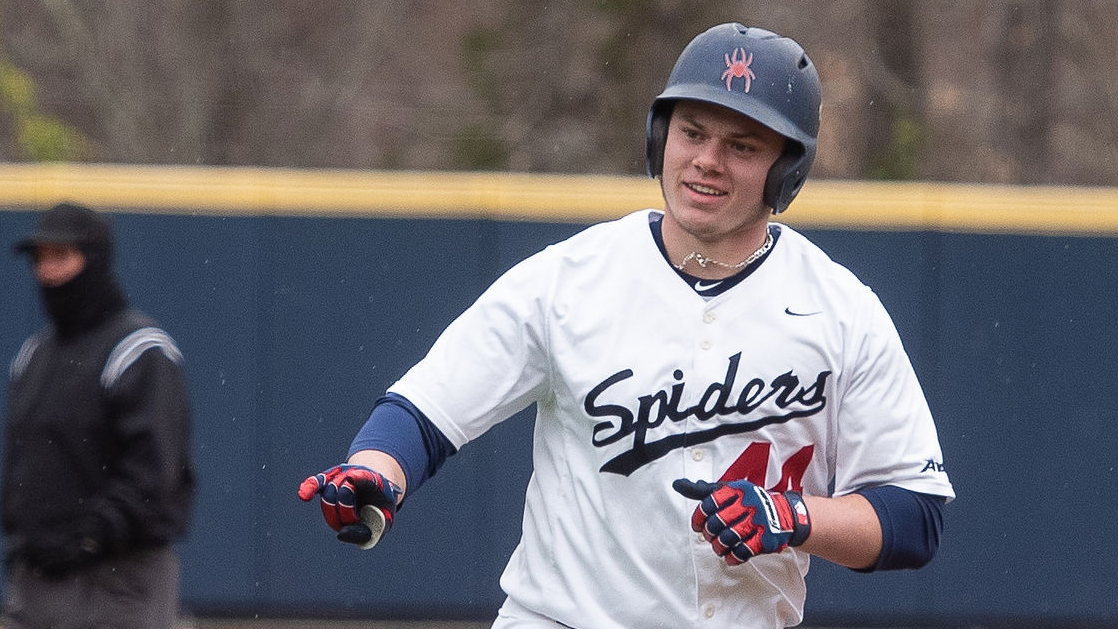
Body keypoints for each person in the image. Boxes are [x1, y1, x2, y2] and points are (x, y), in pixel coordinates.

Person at [299, 22, 954, 628]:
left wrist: (795, 515)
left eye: (742, 146)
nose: (707, 160)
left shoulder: (841, 310)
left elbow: (913, 514)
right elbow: (423, 411)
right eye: (692, 132)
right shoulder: (571, 278)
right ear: (658, 136)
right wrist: (376, 473)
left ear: (787, 169)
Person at [2, 202, 195, 629]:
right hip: (38, 581)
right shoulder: (34, 354)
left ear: (95, 261)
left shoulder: (139, 350)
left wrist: (88, 535)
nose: (47, 271)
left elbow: (154, 475)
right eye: (40, 258)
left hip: (119, 583)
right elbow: (24, 466)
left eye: (61, 256)